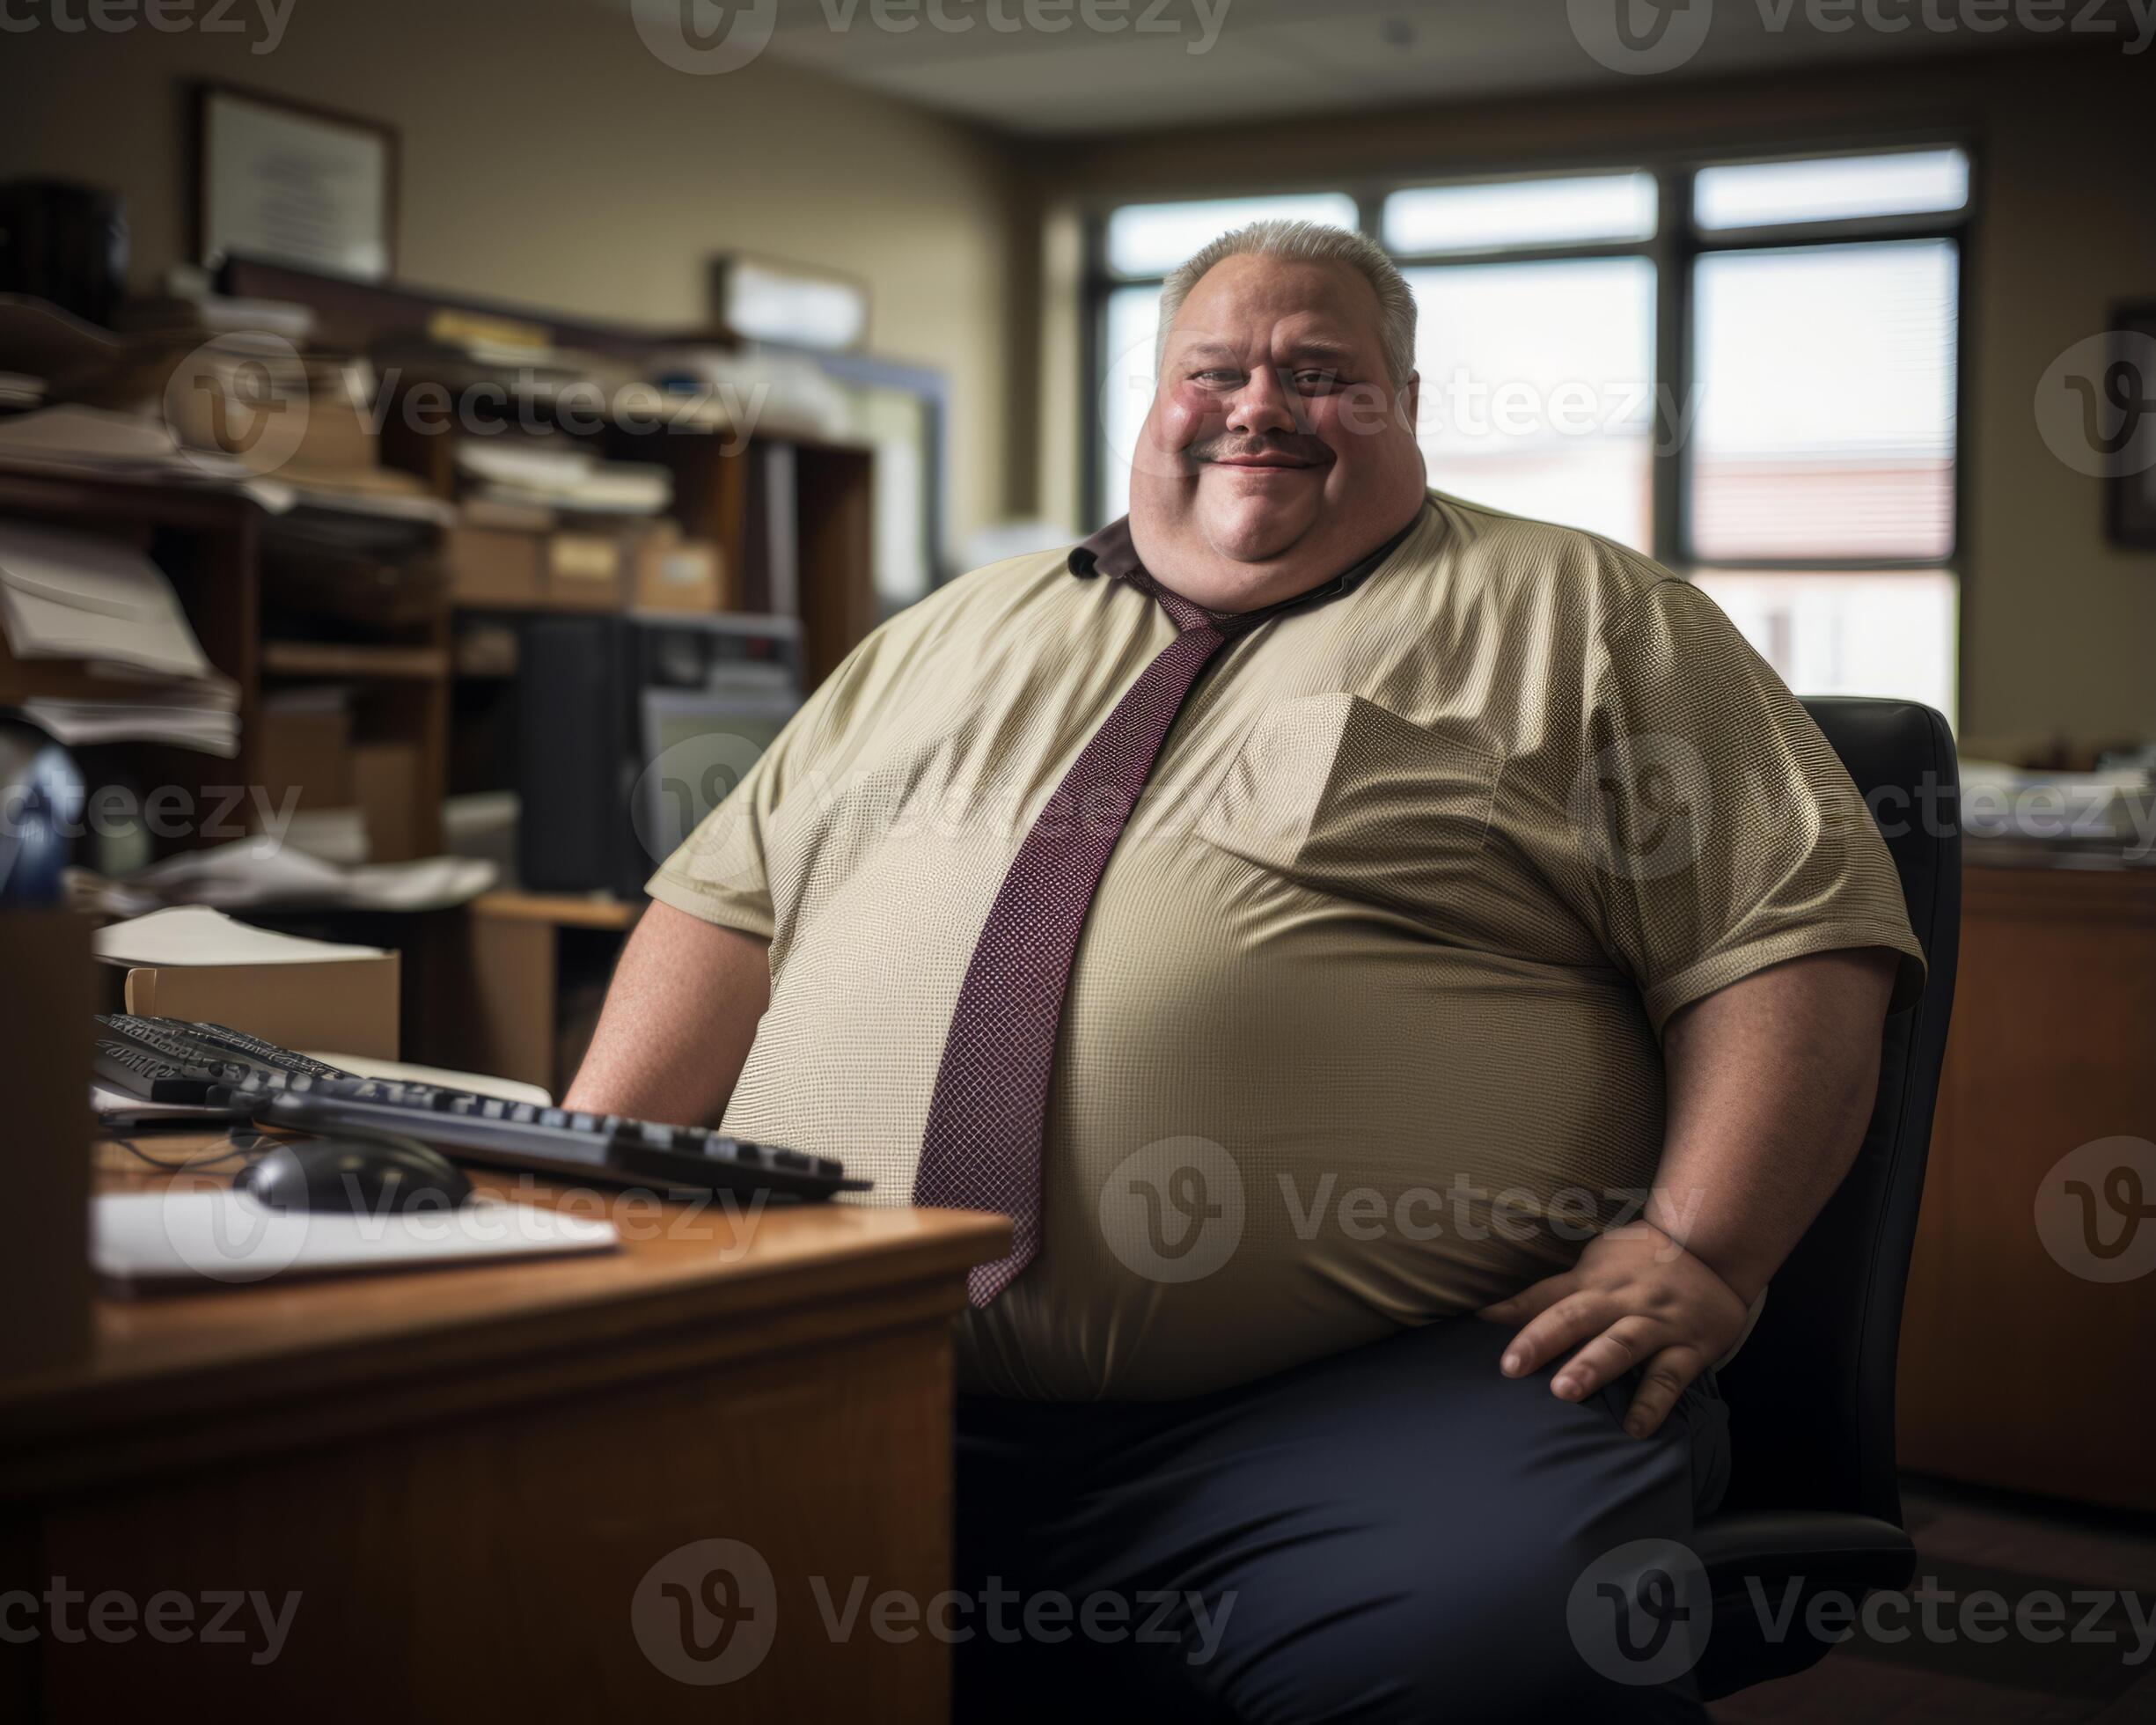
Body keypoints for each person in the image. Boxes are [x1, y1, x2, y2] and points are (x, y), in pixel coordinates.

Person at [568, 220, 1923, 1719]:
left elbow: (1787, 942)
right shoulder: (941, 635)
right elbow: (722, 915)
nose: (1257, 406)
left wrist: (1702, 1250)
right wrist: (576, 1188)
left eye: (1322, 373)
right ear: (1152, 402)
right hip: (850, 1359)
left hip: (1376, 1399)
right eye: (1213, 370)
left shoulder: (1583, 618)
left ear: (1404, 400)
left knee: (1469, 1664)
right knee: (516, 1567)